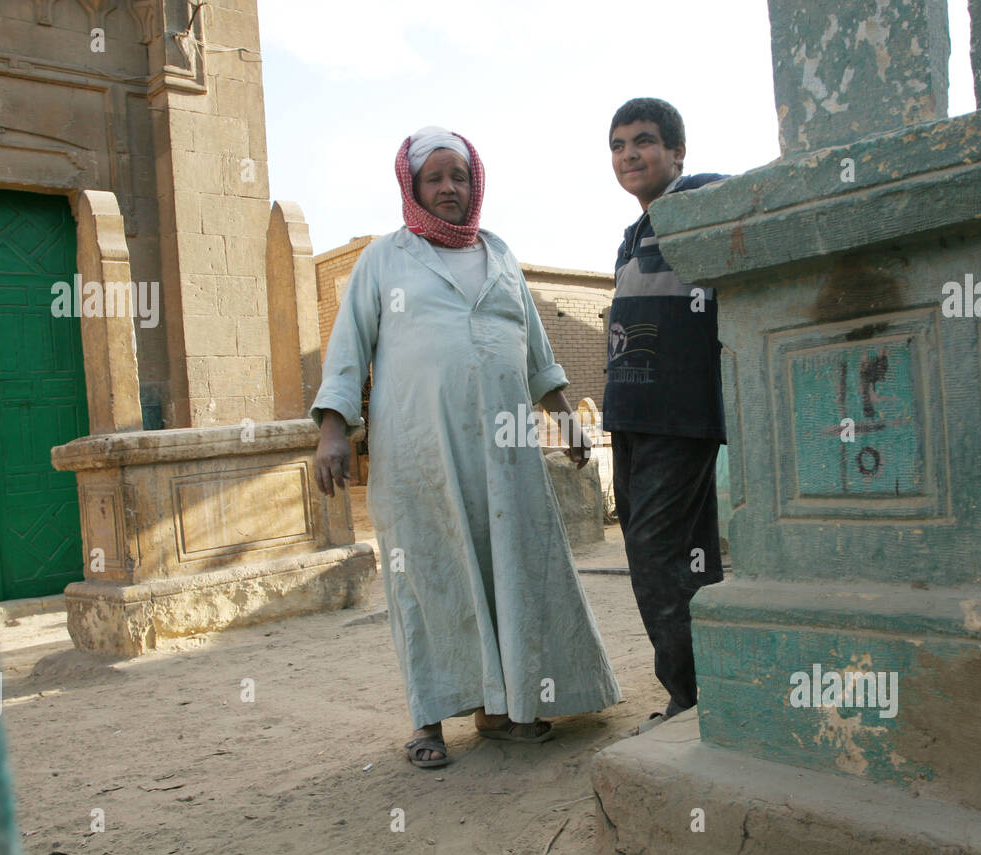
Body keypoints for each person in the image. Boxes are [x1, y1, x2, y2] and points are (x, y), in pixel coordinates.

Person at [311, 126, 621, 768]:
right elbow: (347, 350)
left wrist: (562, 416)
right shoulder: (383, 260)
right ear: (412, 186)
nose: (451, 188)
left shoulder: (501, 253)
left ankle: (507, 710)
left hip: (506, 453)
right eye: (436, 178)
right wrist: (333, 428)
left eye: (461, 176)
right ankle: (427, 722)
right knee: (428, 576)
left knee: (512, 569)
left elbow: (537, 348)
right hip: (422, 452)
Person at [605, 98, 727, 734]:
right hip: (632, 418)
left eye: (645, 141)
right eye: (619, 145)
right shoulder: (633, 235)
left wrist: (699, 188)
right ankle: (715, 692)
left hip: (679, 417)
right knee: (690, 555)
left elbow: (744, 193)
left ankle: (688, 698)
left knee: (653, 553)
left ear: (677, 152)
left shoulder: (697, 201)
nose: (630, 154)